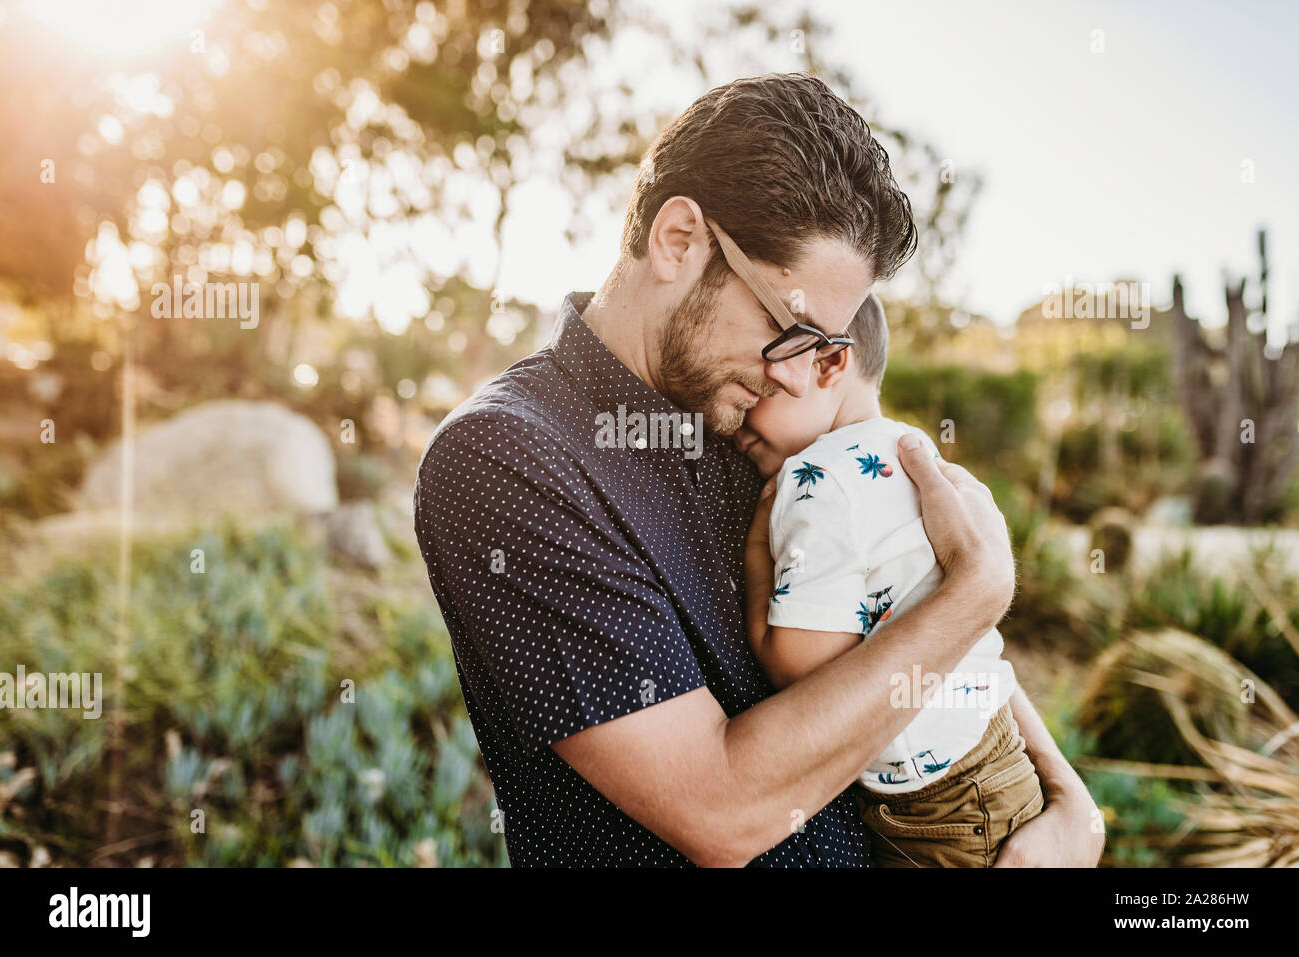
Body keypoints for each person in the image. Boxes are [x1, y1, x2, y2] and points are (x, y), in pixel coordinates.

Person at [414, 73, 1104, 867]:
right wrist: (980, 588)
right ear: (678, 240)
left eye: (825, 350)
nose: (798, 373)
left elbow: (915, 597)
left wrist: (1068, 803)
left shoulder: (761, 419)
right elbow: (722, 810)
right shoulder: (505, 461)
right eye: (791, 328)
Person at [736, 294, 1044, 867]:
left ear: (828, 364)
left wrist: (757, 555)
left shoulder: (812, 478)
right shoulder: (912, 448)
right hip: (995, 754)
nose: (736, 426)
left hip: (941, 807)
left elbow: (796, 665)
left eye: (755, 393)